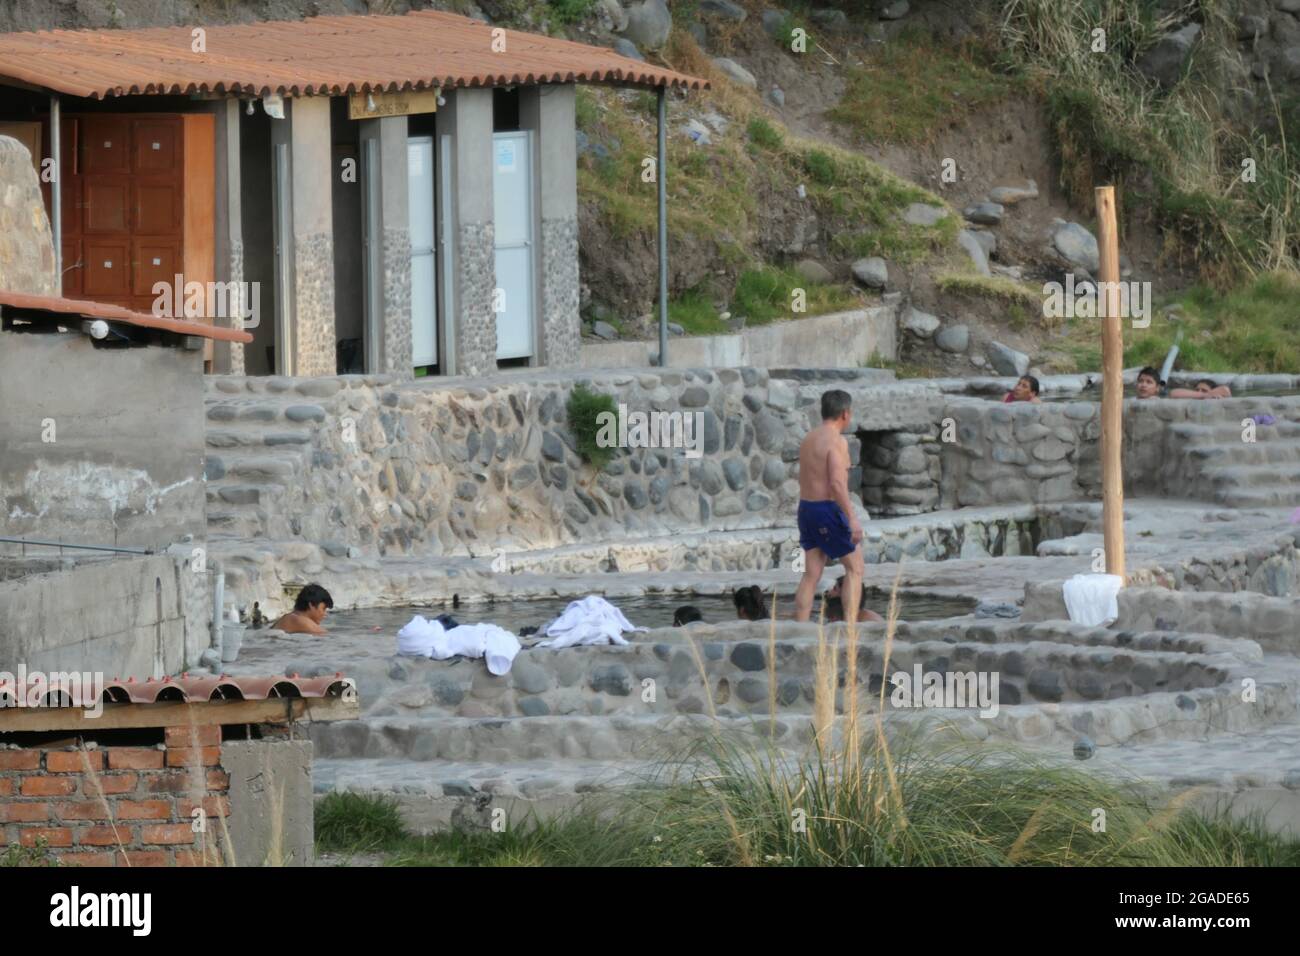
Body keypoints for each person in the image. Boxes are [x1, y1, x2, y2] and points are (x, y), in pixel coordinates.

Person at [794, 389, 866, 625]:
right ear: (845, 413)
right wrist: (852, 518)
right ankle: (850, 629)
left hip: (806, 509)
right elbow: (836, 483)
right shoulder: (837, 441)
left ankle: (800, 630)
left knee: (811, 574)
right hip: (826, 509)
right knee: (855, 568)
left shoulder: (809, 439)